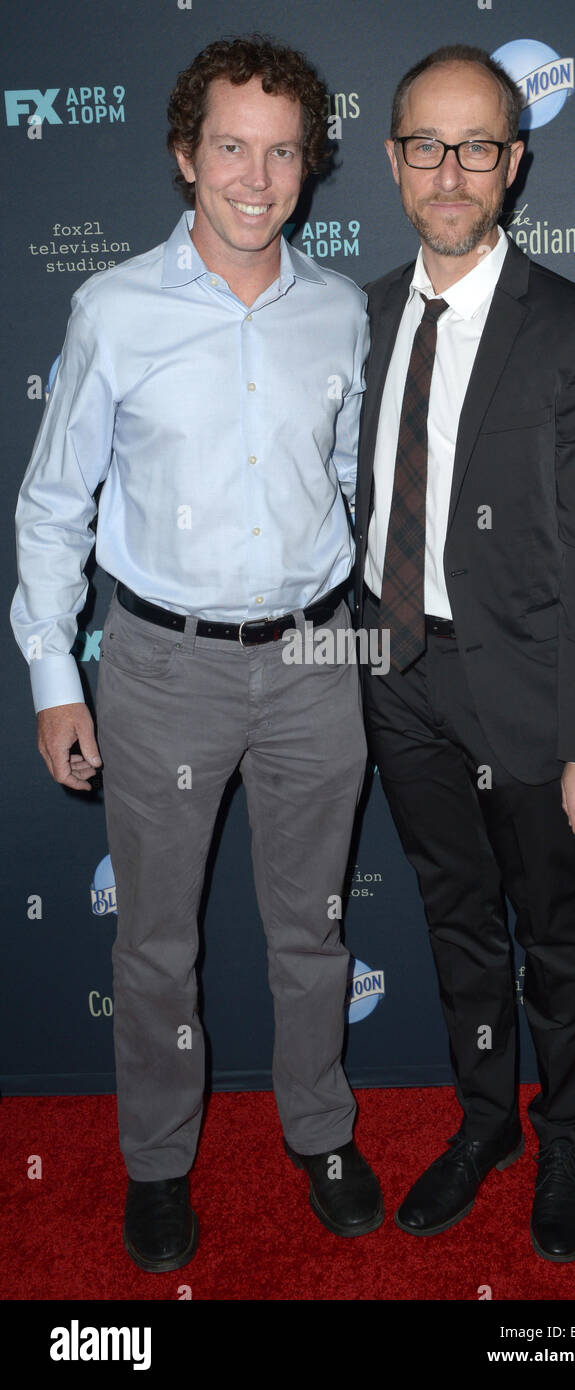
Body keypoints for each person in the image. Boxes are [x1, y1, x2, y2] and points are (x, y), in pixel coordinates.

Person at [11, 35, 383, 1272]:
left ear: (309, 165)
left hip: (316, 662)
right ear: (186, 156)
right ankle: (161, 1163)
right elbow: (54, 505)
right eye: (231, 145)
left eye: (282, 151)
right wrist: (58, 677)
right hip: (162, 670)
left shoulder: (338, 314)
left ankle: (320, 1129)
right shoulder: (112, 309)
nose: (256, 175)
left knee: (312, 927)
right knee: (155, 943)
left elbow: (340, 482)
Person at [353, 43, 575, 1262]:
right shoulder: (355, 316)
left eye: (479, 146)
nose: (452, 170)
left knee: (557, 932)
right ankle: (488, 1124)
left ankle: (566, 1132)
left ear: (514, 165)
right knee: (456, 920)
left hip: (527, 689)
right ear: (394, 161)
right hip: (394, 673)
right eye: (429, 144)